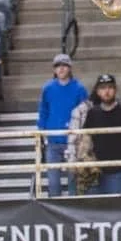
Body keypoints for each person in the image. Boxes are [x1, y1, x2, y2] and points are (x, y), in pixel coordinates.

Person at [74, 74, 121, 197]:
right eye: (103, 88)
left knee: (116, 210)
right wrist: (82, 162)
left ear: (115, 89)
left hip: (119, 172)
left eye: (110, 87)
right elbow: (86, 141)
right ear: (98, 91)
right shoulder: (93, 113)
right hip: (95, 173)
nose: (107, 91)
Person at [36, 54, 88, 198]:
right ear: (54, 69)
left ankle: (74, 206)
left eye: (64, 65)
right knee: (53, 181)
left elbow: (85, 112)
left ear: (69, 68)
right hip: (53, 141)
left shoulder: (79, 89)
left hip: (73, 141)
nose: (61, 69)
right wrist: (41, 130)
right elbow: (43, 110)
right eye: (58, 66)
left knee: (73, 179)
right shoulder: (48, 88)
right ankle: (54, 208)